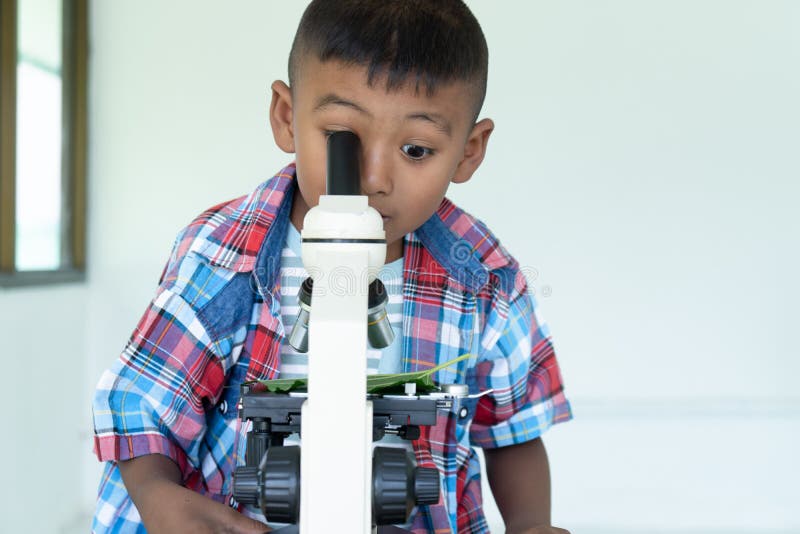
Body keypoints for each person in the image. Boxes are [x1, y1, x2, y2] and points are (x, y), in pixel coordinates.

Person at [91, 1, 573, 532]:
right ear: (286, 117)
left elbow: (513, 432)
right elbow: (143, 406)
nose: (372, 178)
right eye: (343, 140)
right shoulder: (224, 252)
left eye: (415, 149)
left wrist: (532, 525)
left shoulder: (485, 279)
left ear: (468, 151)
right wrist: (159, 495)